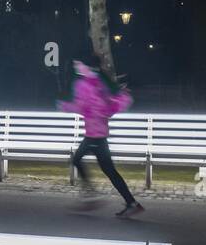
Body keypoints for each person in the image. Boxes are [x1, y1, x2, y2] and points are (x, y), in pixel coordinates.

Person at [58, 59, 144, 217]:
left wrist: (65, 107)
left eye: (79, 64)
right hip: (96, 133)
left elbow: (89, 107)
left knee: (78, 160)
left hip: (95, 135)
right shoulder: (93, 81)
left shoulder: (90, 84)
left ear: (87, 65)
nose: (76, 67)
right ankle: (131, 203)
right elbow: (101, 105)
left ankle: (91, 195)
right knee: (109, 170)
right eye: (75, 64)